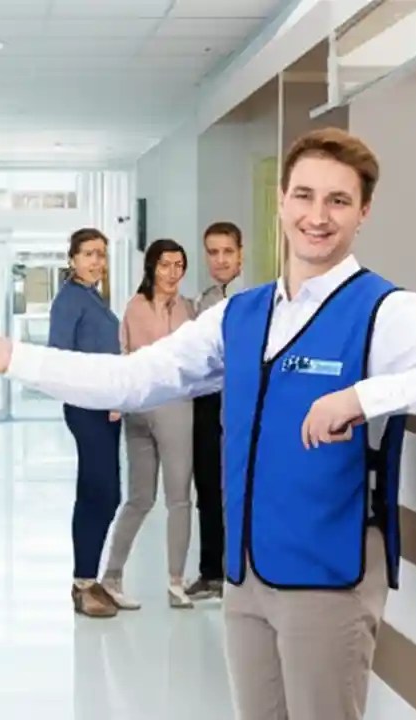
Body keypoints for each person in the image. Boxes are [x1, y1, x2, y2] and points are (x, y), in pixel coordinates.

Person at [0, 127, 416, 720]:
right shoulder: (240, 314)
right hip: (247, 576)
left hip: (326, 577)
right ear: (281, 202)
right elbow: (133, 378)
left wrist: (365, 396)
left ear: (363, 212)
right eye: (305, 196)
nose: (318, 215)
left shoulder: (384, 310)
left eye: (338, 200)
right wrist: (13, 357)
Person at [101, 238, 197, 610]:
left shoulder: (187, 310)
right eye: (165, 265)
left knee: (179, 498)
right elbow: (126, 355)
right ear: (152, 268)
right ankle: (111, 575)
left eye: (179, 265)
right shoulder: (135, 307)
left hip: (175, 404)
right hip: (140, 408)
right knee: (140, 497)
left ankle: (175, 581)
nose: (173, 273)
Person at [48, 227, 123, 619]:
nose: (97, 262)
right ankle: (82, 584)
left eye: (102, 255)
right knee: (100, 492)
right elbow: (60, 358)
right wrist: (100, 394)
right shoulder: (69, 301)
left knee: (106, 493)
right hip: (88, 408)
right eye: (90, 254)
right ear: (73, 259)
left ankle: (89, 578)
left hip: (106, 405)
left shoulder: (93, 298)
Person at [185, 221, 244, 603]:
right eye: (213, 252)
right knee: (207, 487)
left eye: (227, 251)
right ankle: (211, 573)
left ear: (241, 253)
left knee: (239, 488)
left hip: (240, 401)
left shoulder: (256, 298)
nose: (220, 259)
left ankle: (239, 572)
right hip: (207, 403)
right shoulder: (203, 302)